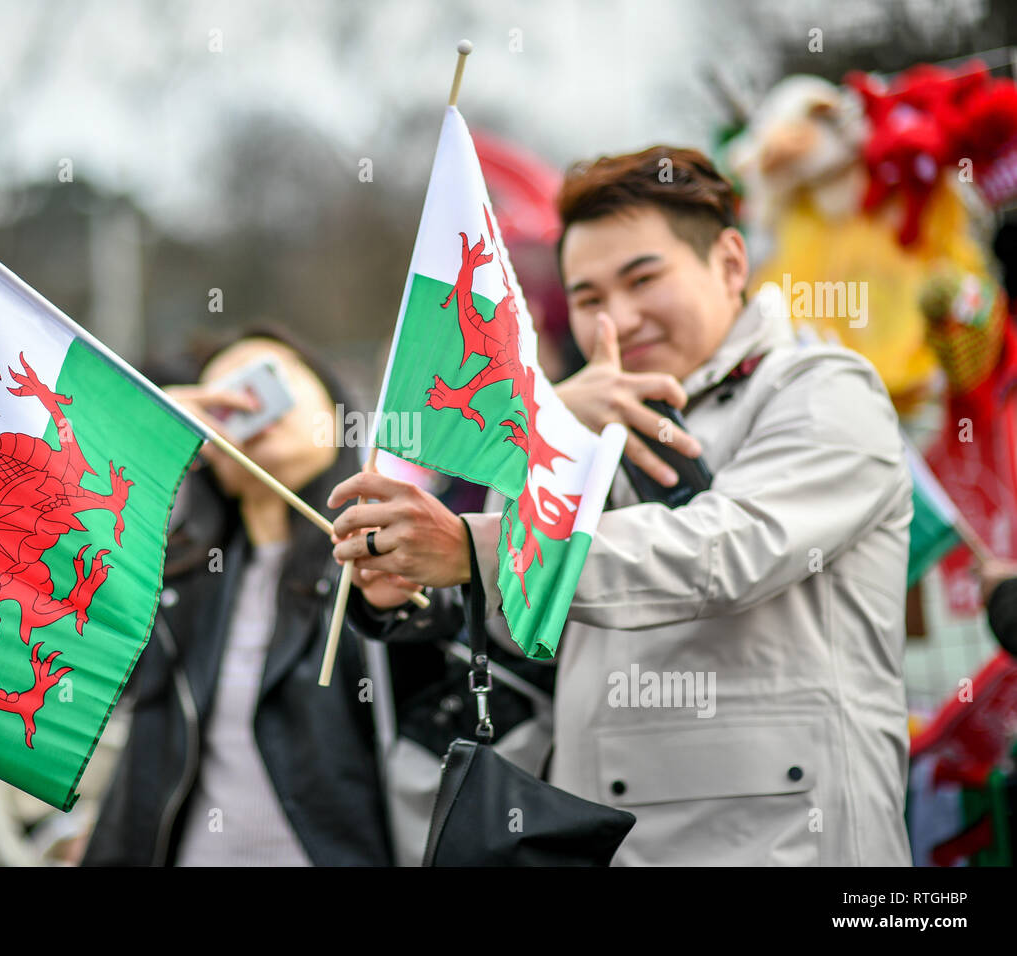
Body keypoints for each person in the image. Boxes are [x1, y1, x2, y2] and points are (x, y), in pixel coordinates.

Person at [333, 146, 913, 866]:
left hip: (788, 843)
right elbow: (522, 629)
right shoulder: (573, 422)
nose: (620, 318)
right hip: (607, 839)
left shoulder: (824, 387)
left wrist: (481, 547)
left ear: (731, 263)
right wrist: (413, 592)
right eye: (589, 297)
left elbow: (725, 550)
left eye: (644, 278)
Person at [82, 331, 392, 866]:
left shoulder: (391, 565)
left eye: (269, 375)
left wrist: (399, 609)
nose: (245, 401)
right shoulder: (169, 584)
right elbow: (35, 577)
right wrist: (133, 433)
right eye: (220, 394)